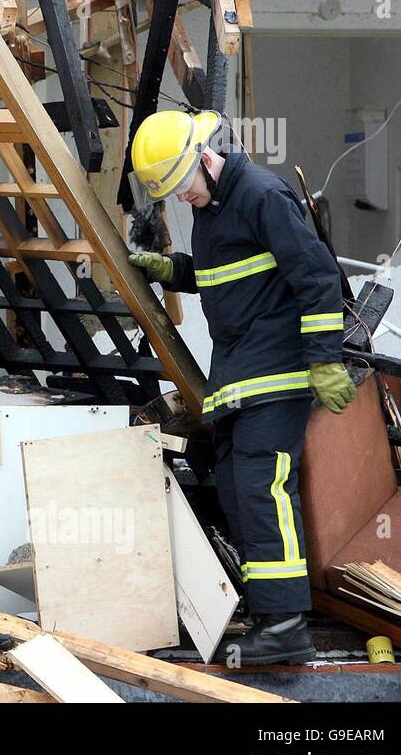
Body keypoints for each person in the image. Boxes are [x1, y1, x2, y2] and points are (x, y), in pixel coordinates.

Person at [128, 109, 357, 665]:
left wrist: (324, 360)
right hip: (237, 380)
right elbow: (224, 276)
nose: (182, 198)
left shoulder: (261, 194)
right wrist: (172, 270)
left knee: (262, 488)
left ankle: (285, 625)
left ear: (206, 160)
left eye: (183, 186)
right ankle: (267, 613)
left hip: (276, 376)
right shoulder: (217, 207)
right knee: (235, 489)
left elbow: (318, 276)